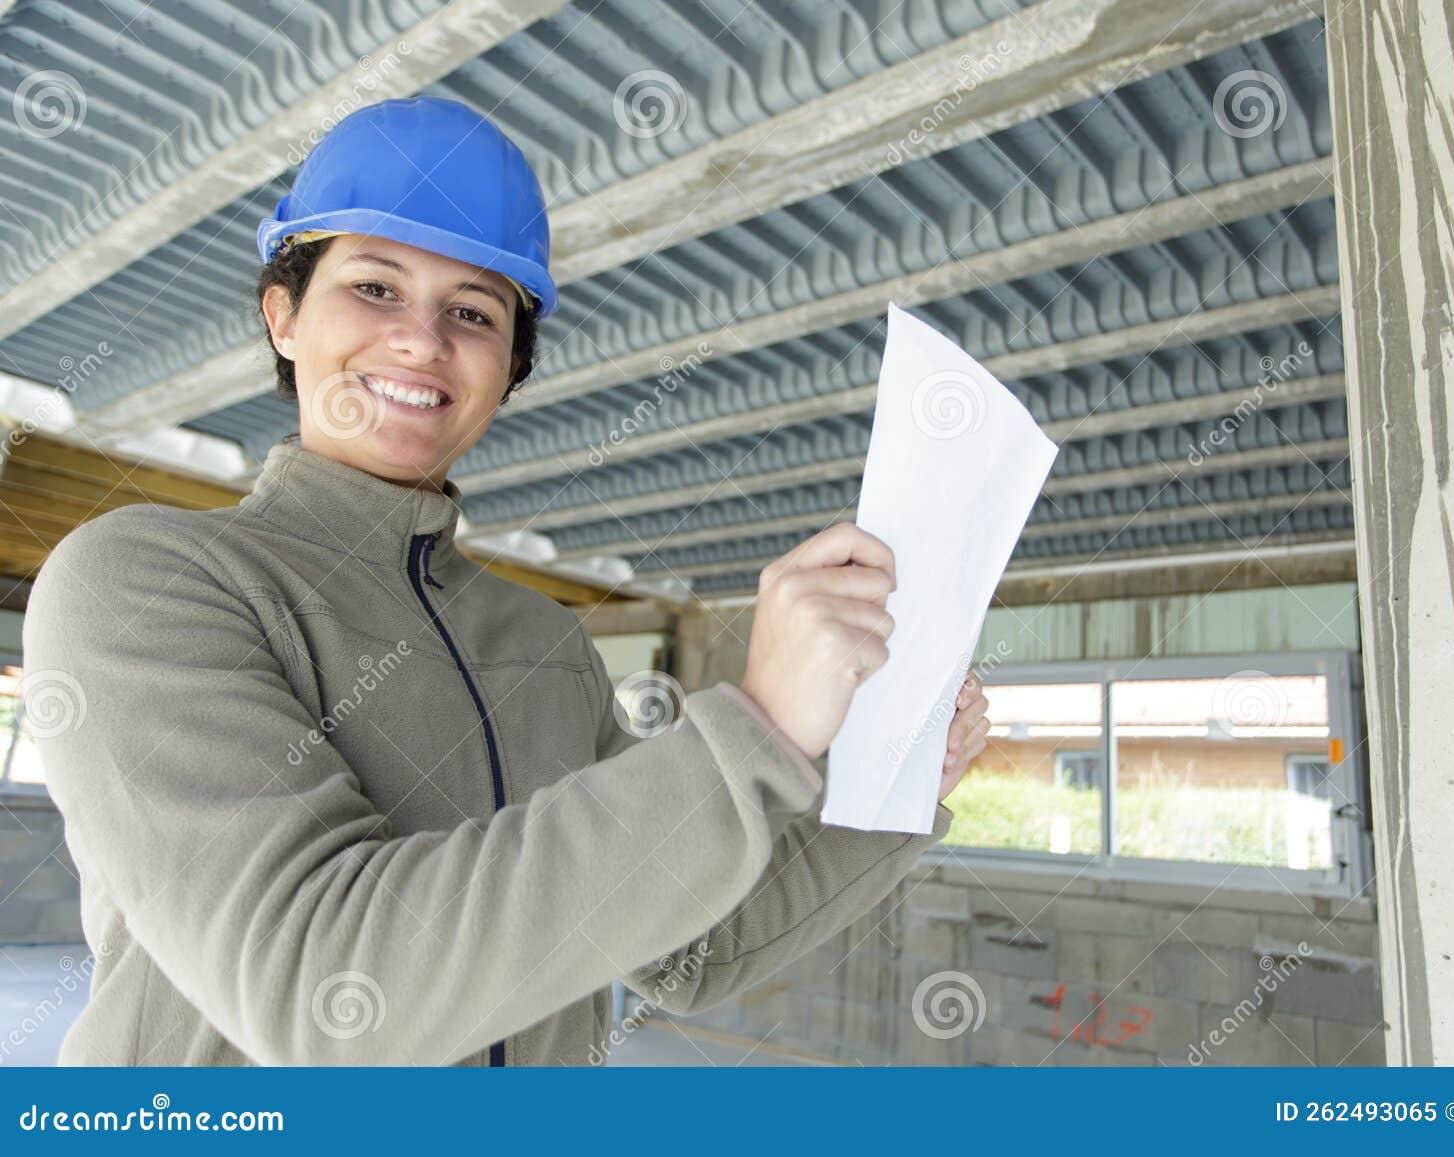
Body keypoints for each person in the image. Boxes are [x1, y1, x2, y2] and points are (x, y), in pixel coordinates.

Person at [21, 96, 991, 1067]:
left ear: (510, 365)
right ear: (283, 314)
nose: (420, 340)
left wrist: (901, 788)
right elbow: (323, 991)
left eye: (472, 311)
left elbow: (691, 947)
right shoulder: (144, 581)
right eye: (373, 286)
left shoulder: (546, 645)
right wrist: (758, 724)